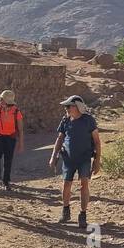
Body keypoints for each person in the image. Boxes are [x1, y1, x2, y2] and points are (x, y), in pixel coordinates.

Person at [48, 95, 101, 229]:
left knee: (84, 184)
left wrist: (97, 160)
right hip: (68, 158)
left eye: (68, 106)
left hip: (84, 158)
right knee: (66, 184)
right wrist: (54, 156)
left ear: (77, 107)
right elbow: (60, 139)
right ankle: (66, 211)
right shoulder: (65, 120)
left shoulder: (88, 120)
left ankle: (82, 215)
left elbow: (97, 141)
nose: (66, 109)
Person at [0, 90, 25, 190]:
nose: (0, 101)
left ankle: (6, 181)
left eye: (1, 99)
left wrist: (21, 144)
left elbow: (20, 129)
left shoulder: (16, 111)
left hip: (10, 139)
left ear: (6, 101)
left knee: (8, 160)